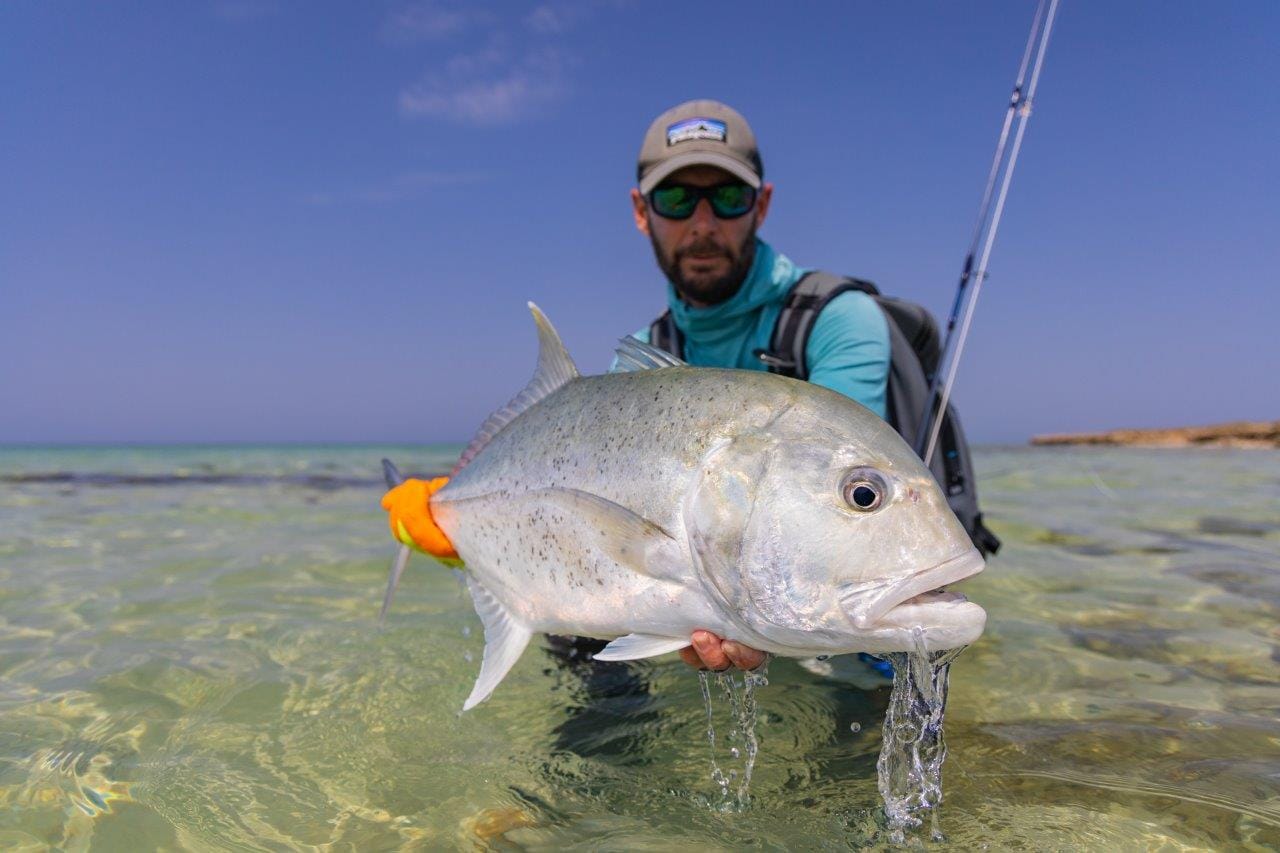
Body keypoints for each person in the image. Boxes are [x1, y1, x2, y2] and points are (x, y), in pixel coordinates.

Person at [626, 100, 900, 674]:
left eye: (728, 197)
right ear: (641, 212)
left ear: (763, 204)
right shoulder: (633, 364)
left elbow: (833, 501)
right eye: (676, 199)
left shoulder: (839, 320)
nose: (704, 224)